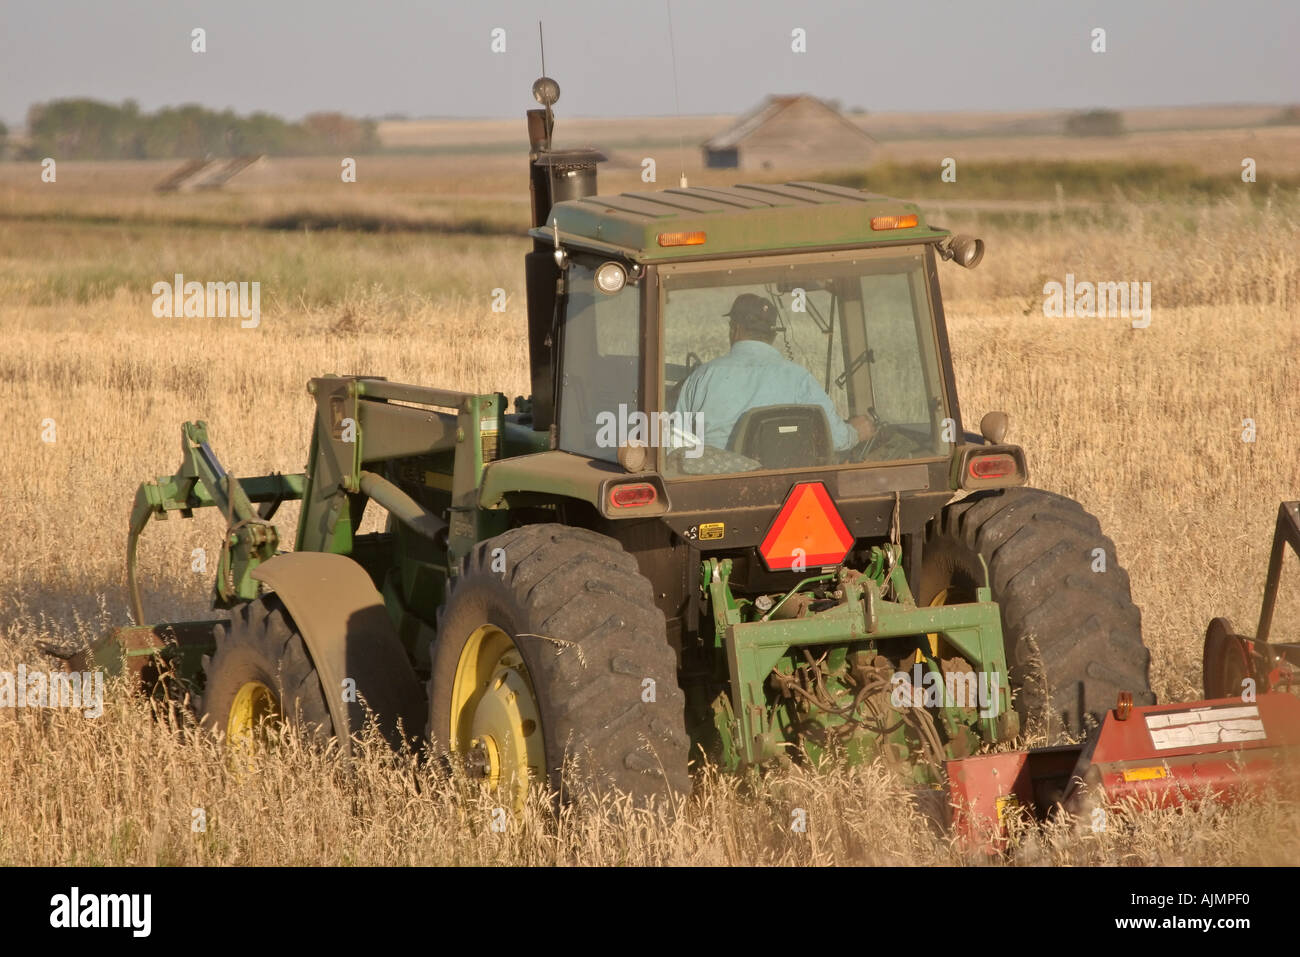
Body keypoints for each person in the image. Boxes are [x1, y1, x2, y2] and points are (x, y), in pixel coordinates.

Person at [673, 293, 875, 454]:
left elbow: (676, 447)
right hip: (784, 489)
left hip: (718, 490)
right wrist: (856, 432)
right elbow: (837, 439)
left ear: (734, 329)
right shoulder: (798, 379)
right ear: (773, 334)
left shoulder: (702, 378)